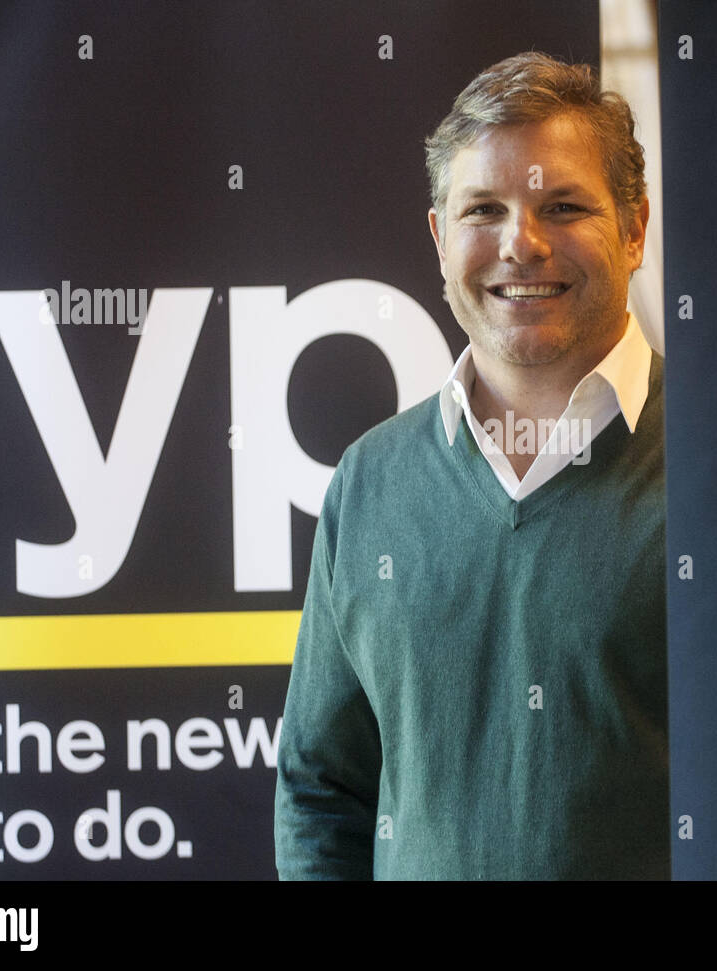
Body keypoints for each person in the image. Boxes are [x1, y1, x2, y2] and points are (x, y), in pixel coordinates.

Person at [274, 51, 668, 879]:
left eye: (563, 206)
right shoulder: (370, 481)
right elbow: (321, 790)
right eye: (483, 209)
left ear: (635, 229)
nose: (522, 244)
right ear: (439, 237)